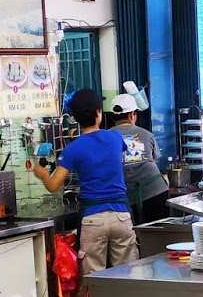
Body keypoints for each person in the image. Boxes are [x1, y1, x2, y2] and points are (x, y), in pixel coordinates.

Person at [33, 88, 138, 274]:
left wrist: (41, 173)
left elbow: (53, 186)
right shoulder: (115, 138)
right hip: (121, 216)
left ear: (75, 118)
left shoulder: (72, 149)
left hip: (92, 220)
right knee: (127, 276)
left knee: (94, 280)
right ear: (99, 113)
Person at [108, 93, 169, 222]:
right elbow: (154, 160)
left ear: (113, 117)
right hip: (154, 192)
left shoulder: (105, 138)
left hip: (122, 198)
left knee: (131, 237)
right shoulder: (147, 134)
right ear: (132, 115)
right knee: (155, 234)